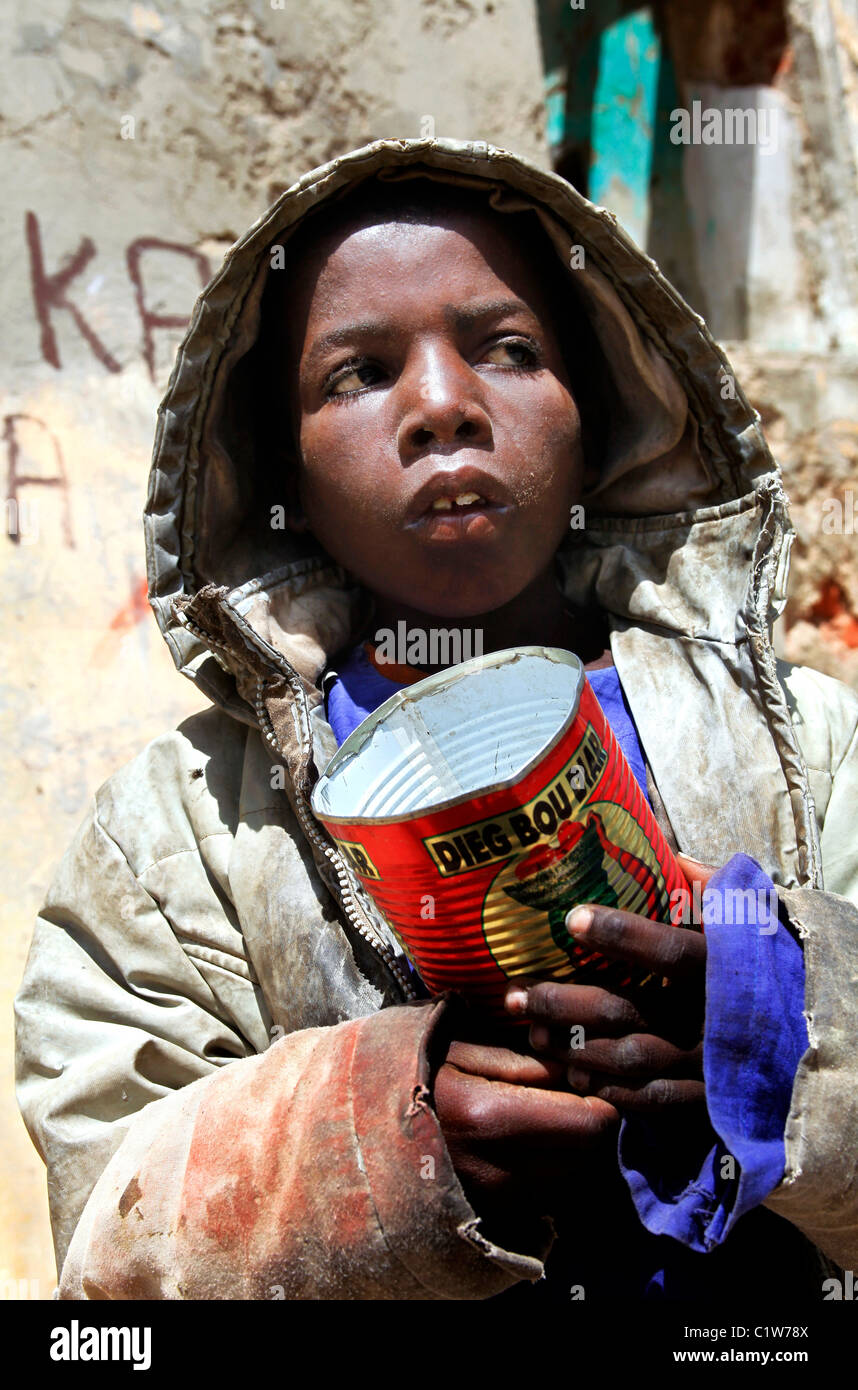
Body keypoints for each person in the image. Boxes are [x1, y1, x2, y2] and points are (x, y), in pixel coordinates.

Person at [15, 138, 858, 1301]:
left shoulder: (802, 746)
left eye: (508, 351)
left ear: (593, 416)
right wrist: (381, 1149)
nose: (443, 406)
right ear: (286, 478)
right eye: (357, 375)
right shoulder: (180, 837)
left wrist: (782, 1038)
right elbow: (110, 1232)